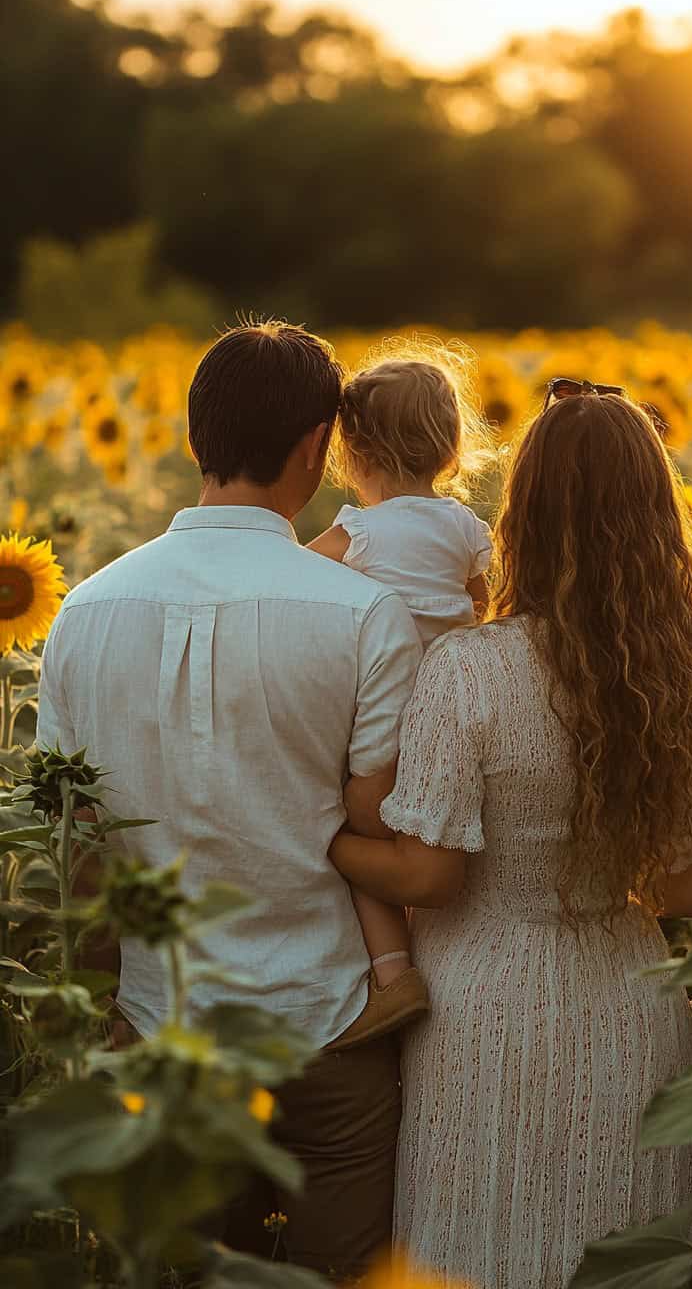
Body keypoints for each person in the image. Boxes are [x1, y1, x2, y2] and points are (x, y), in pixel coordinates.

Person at [329, 383, 692, 1289]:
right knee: (627, 1261)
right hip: (629, 1010)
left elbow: (430, 876)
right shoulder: (690, 682)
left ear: (522, 511)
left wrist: (324, 839)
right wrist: (610, 858)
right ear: (658, 518)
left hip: (479, 1018)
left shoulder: (470, 671)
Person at [36, 320, 428, 1279]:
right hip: (332, 1023)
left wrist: (102, 1001)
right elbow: (388, 820)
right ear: (313, 449)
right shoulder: (363, 613)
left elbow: (68, 842)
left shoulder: (83, 614)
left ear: (191, 438)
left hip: (165, 1029)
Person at [308, 351, 494, 1049]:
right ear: (450, 449)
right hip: (453, 723)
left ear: (352, 452)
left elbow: (292, 578)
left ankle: (391, 974)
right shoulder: (465, 528)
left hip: (383, 723)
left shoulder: (358, 531)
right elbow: (487, 610)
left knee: (353, 820)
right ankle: (409, 959)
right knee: (422, 832)